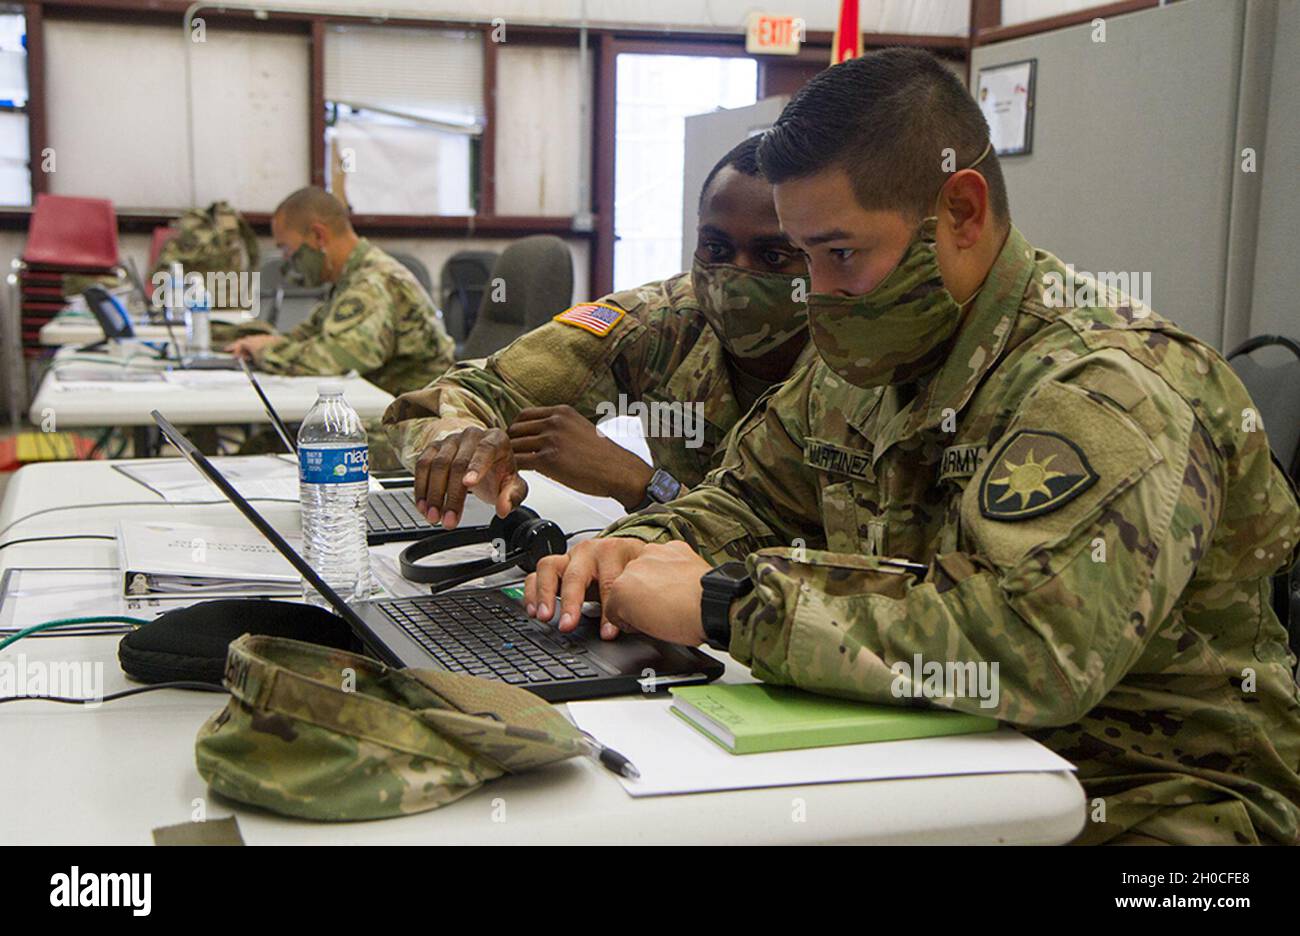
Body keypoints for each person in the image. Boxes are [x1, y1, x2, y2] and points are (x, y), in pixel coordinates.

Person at [526, 49, 1300, 845]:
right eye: (805, 256)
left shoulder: (1107, 386)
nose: (814, 291)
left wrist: (726, 605)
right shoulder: (869, 349)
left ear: (960, 212)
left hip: (1165, 807)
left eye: (842, 254)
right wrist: (635, 548)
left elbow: (1026, 647)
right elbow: (750, 500)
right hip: (943, 760)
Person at [383, 137, 814, 529]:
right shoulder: (664, 323)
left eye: (773, 256)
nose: (735, 275)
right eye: (715, 249)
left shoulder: (854, 360)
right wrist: (465, 447)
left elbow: (826, 566)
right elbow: (446, 399)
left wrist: (641, 483)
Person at [227, 186, 454, 398]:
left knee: (286, 438)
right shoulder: (349, 279)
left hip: (408, 420)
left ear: (318, 236)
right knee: (268, 439)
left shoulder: (373, 282)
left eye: (287, 249)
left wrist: (267, 352)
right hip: (374, 404)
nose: (287, 260)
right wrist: (262, 343)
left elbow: (337, 359)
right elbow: (309, 337)